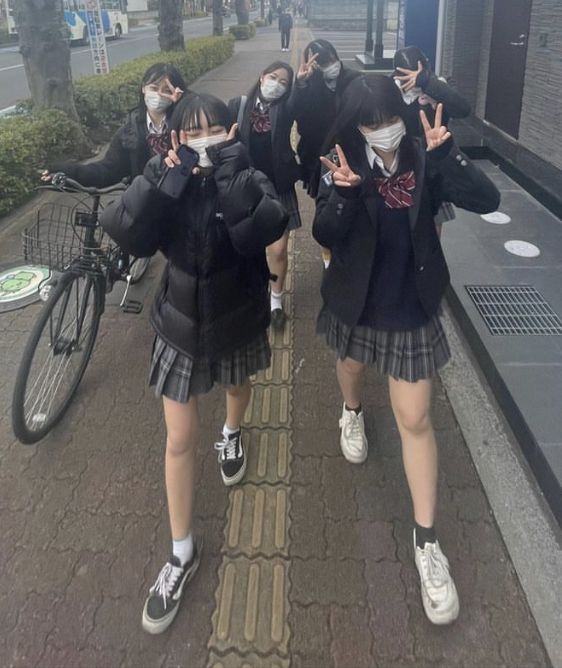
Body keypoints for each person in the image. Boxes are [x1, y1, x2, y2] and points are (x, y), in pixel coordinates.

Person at [313, 74, 499, 626]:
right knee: (350, 368)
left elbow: (487, 200)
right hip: (357, 298)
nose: (381, 132)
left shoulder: (425, 152)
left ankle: (427, 543)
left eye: (387, 119)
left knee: (415, 418)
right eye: (368, 124)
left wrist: (448, 159)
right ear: (354, 126)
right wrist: (345, 195)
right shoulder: (342, 158)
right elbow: (324, 233)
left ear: (403, 112)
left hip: (410, 300)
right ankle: (351, 412)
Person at [100, 93, 287, 634]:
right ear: (178, 138)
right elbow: (128, 232)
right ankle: (181, 551)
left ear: (230, 131)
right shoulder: (167, 173)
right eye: (192, 131)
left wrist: (231, 177)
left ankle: (232, 432)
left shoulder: (246, 173)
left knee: (237, 390)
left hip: (234, 315)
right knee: (178, 437)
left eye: (214, 130)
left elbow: (265, 230)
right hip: (178, 321)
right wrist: (165, 177)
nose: (203, 139)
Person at [228, 61, 301, 329]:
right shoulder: (239, 105)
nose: (277, 84)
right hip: (245, 188)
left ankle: (276, 303)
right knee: (245, 246)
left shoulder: (285, 108)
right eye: (273, 77)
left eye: (284, 82)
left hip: (278, 187)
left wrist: (301, 82)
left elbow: (300, 100)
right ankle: (249, 295)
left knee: (279, 249)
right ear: (262, 76)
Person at [42, 63, 187, 186]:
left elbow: (206, 111)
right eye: (154, 88)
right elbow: (107, 170)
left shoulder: (189, 123)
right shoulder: (129, 132)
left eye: (167, 91)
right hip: (145, 207)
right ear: (143, 88)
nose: (159, 95)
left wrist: (185, 100)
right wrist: (70, 173)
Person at [393, 46, 473, 235]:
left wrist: (427, 82)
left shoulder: (439, 87)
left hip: (434, 167)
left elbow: (464, 109)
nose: (412, 81)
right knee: (400, 224)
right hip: (402, 167)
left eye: (416, 74)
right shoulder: (392, 89)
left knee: (433, 221)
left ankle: (431, 259)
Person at [292, 39, 360, 199]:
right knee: (323, 194)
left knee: (349, 193)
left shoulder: (354, 79)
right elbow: (298, 115)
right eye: (322, 63)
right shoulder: (310, 83)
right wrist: (301, 83)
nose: (330, 65)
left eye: (331, 60)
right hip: (317, 151)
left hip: (349, 148)